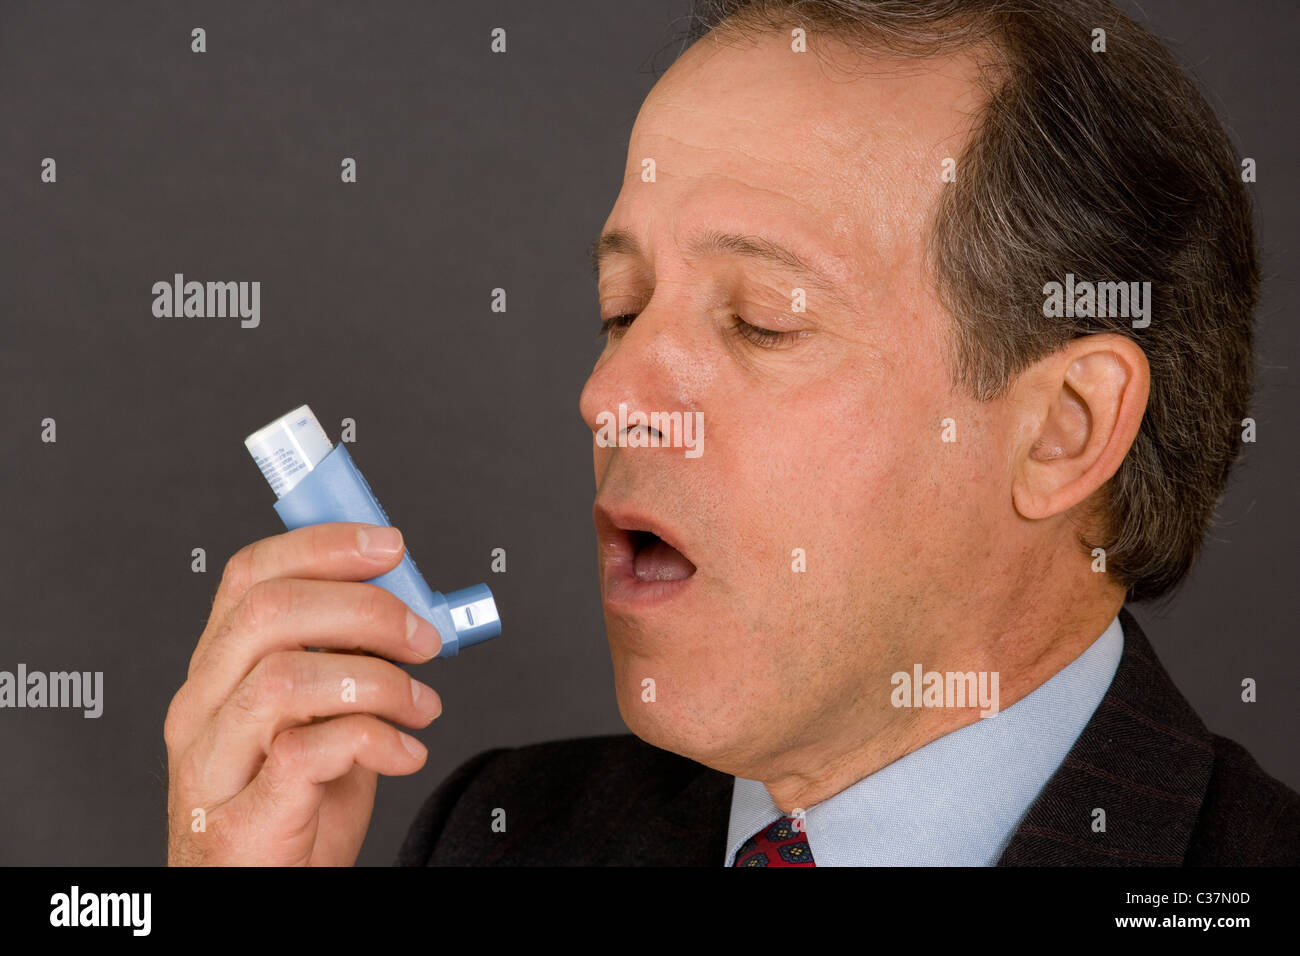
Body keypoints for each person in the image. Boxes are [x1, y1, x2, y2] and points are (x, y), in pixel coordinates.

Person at [164, 0, 1300, 866]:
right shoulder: (496, 833)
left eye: (763, 321)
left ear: (1062, 428)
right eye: (622, 310)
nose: (607, 396)